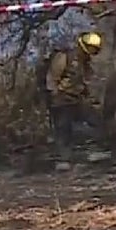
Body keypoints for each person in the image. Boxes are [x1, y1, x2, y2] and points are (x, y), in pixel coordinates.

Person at [39, 31, 103, 170]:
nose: (92, 52)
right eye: (91, 48)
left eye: (95, 50)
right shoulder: (65, 57)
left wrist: (91, 98)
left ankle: (93, 151)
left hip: (77, 99)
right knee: (63, 129)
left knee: (94, 120)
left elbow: (86, 82)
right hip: (61, 99)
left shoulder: (85, 64)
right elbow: (52, 77)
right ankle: (63, 160)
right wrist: (54, 95)